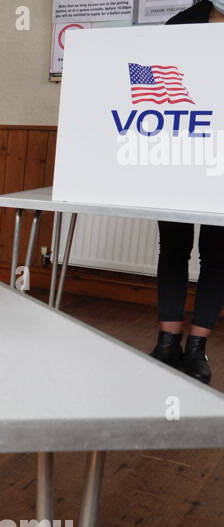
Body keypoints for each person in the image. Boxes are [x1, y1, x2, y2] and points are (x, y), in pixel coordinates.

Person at [150, 1, 224, 384]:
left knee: (217, 255)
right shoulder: (181, 23)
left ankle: (197, 348)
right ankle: (167, 341)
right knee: (174, 247)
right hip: (179, 150)